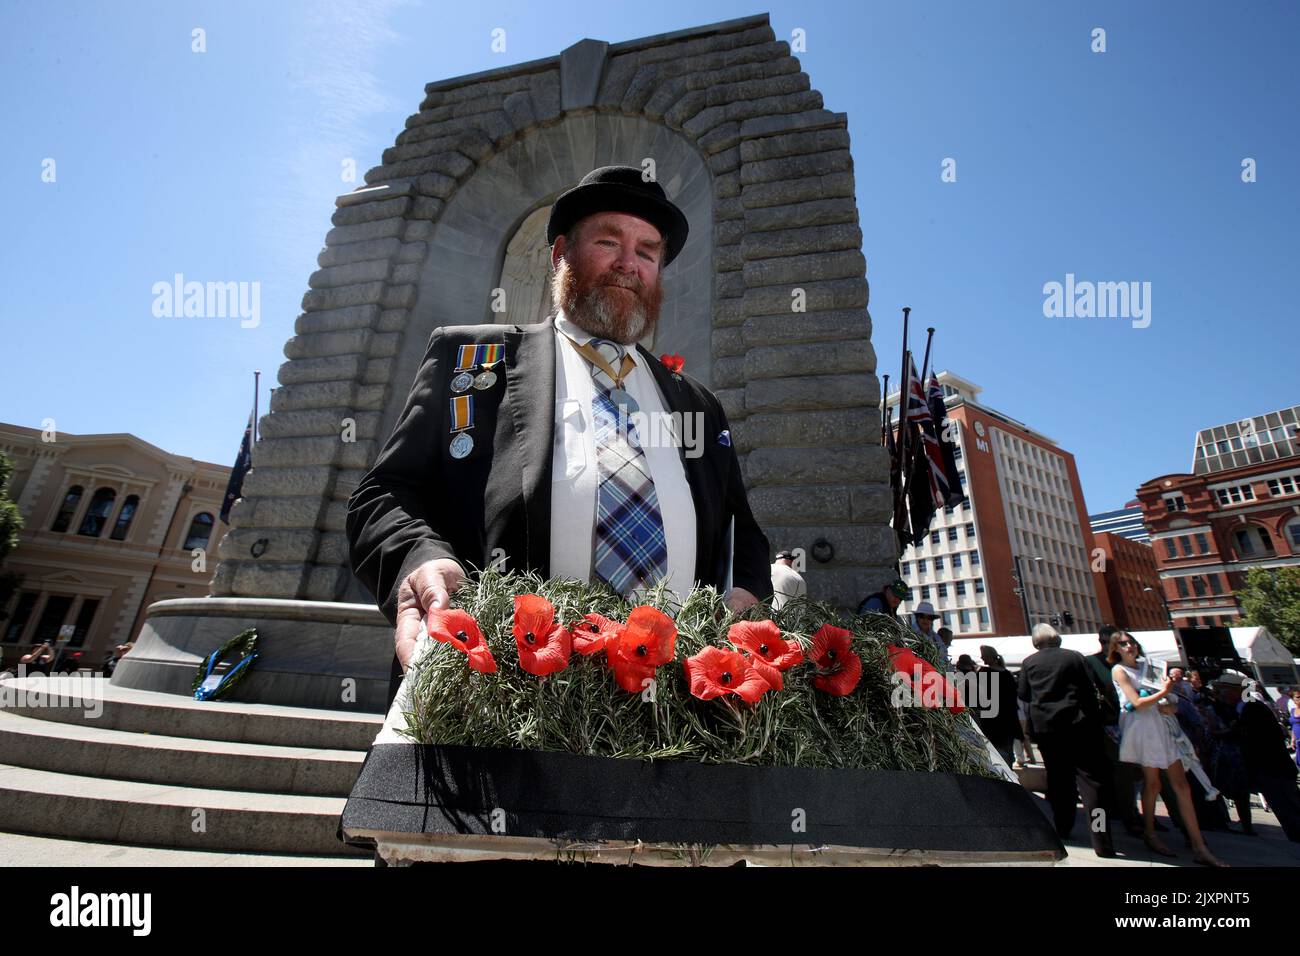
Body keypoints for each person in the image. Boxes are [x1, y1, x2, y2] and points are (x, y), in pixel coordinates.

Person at [347, 165, 774, 710]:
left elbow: (741, 532)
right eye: (608, 241)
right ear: (559, 255)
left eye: (647, 251)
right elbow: (385, 496)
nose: (629, 262)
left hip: (671, 712)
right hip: (497, 701)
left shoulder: (698, 404)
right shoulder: (473, 361)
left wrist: (744, 592)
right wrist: (420, 561)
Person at [1109, 632, 1225, 866]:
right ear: (1116, 649)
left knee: (1182, 785)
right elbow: (1137, 703)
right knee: (1152, 784)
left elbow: (1171, 699)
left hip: (1164, 728)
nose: (1129, 646)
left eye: (1131, 642)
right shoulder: (1119, 670)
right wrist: (1163, 692)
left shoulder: (1150, 666)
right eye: (1123, 643)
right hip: (1144, 730)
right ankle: (1150, 833)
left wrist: (1171, 704)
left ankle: (1198, 845)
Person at [1017, 623, 1117, 856]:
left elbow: (1023, 694)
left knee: (1059, 781)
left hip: (1048, 729)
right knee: (1092, 785)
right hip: (1080, 725)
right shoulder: (1075, 658)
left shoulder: (1030, 662)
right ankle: (1102, 840)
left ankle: (1063, 827)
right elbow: (1090, 689)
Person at [1212, 672, 1300, 842]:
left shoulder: (1253, 708)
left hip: (1273, 769)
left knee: (1289, 808)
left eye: (1222, 692)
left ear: (1234, 691)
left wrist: (1225, 732)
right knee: (1286, 808)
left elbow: (1250, 736)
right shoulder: (1245, 707)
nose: (1221, 697)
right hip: (1269, 769)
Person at [976, 645, 1022, 768]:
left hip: (992, 720)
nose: (981, 658)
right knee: (1007, 751)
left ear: (988, 657)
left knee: (996, 753)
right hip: (1008, 718)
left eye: (983, 655)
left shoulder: (984, 673)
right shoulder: (1007, 674)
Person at [909, 601, 946, 668]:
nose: (925, 620)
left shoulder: (936, 637)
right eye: (922, 616)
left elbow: (944, 658)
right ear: (917, 617)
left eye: (929, 617)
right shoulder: (909, 634)